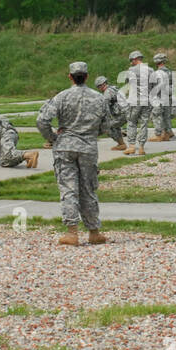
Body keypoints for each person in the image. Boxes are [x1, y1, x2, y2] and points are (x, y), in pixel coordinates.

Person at [37, 61, 118, 245]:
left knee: (68, 189)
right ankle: (94, 232)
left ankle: (72, 232)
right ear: (87, 77)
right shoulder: (99, 98)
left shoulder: (61, 97)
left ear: (70, 77)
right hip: (88, 147)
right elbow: (107, 126)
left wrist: (52, 138)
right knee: (88, 189)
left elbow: (42, 120)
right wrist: (90, 134)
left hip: (65, 146)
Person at [123, 50, 153, 155]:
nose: (131, 62)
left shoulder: (131, 70)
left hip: (134, 101)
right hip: (147, 100)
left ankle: (131, 146)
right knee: (144, 123)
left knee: (131, 122)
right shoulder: (150, 70)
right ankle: (141, 147)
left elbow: (127, 81)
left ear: (135, 59)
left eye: (131, 60)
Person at [149, 53, 176, 141]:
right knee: (166, 116)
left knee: (156, 115)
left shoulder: (156, 73)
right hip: (168, 97)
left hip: (159, 97)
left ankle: (158, 135)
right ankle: (167, 133)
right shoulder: (169, 72)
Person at [95, 77, 128, 149]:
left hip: (123, 114)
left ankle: (121, 144)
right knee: (116, 126)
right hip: (127, 111)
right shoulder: (114, 88)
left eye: (98, 86)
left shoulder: (107, 92)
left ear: (102, 85)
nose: (98, 89)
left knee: (108, 127)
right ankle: (121, 143)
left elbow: (105, 106)